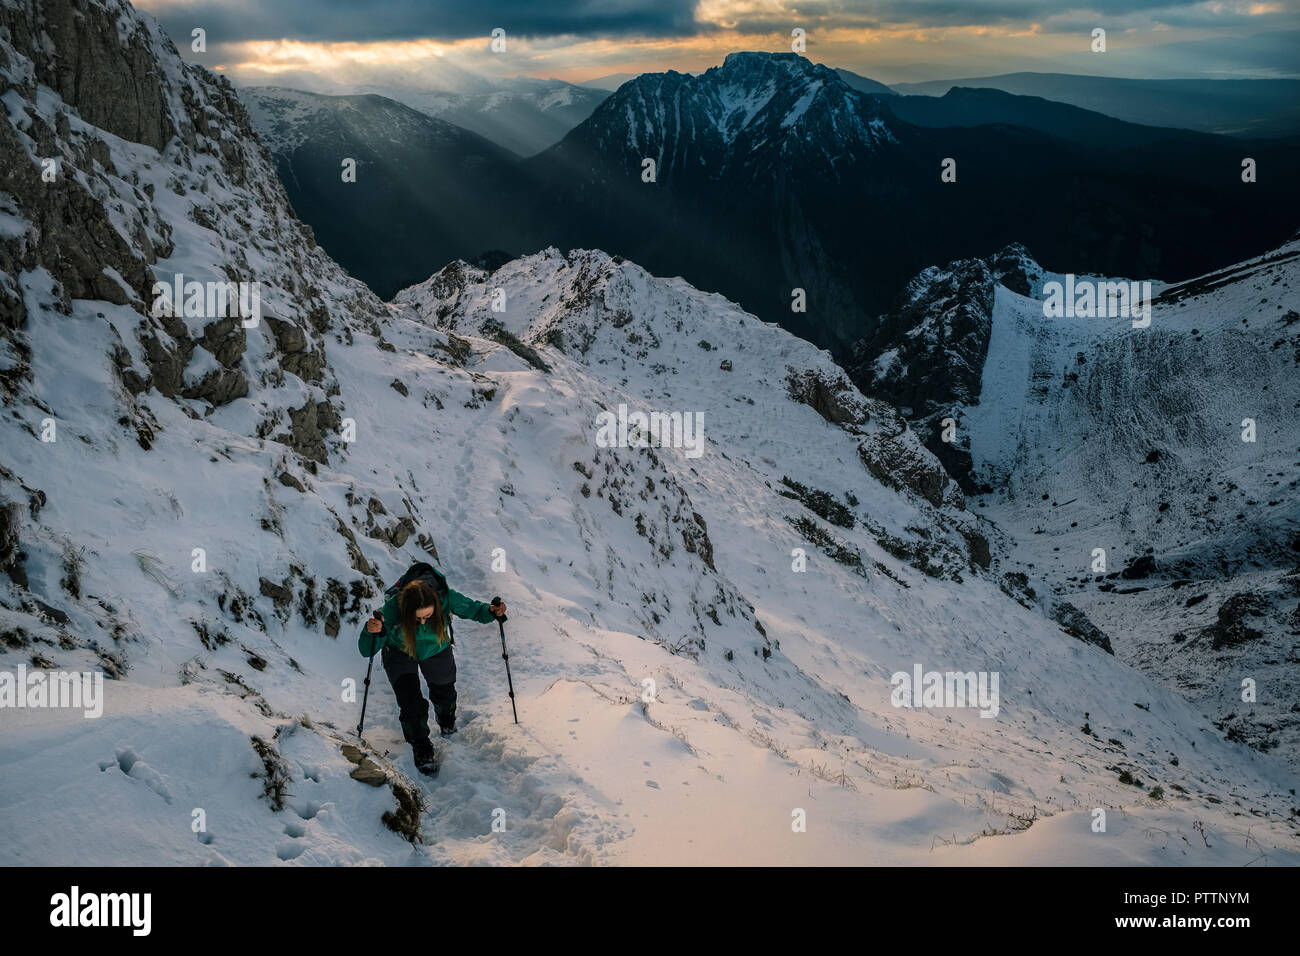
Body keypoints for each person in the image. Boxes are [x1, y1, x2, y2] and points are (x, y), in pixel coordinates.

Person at [358, 565, 506, 773]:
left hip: (436, 648)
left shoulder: (446, 598)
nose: (422, 621)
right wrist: (372, 631)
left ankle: (447, 720)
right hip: (400, 652)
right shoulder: (393, 608)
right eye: (416, 618)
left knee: (444, 689)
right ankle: (421, 745)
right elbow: (366, 650)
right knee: (410, 703)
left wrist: (492, 611)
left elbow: (473, 609)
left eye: (428, 616)